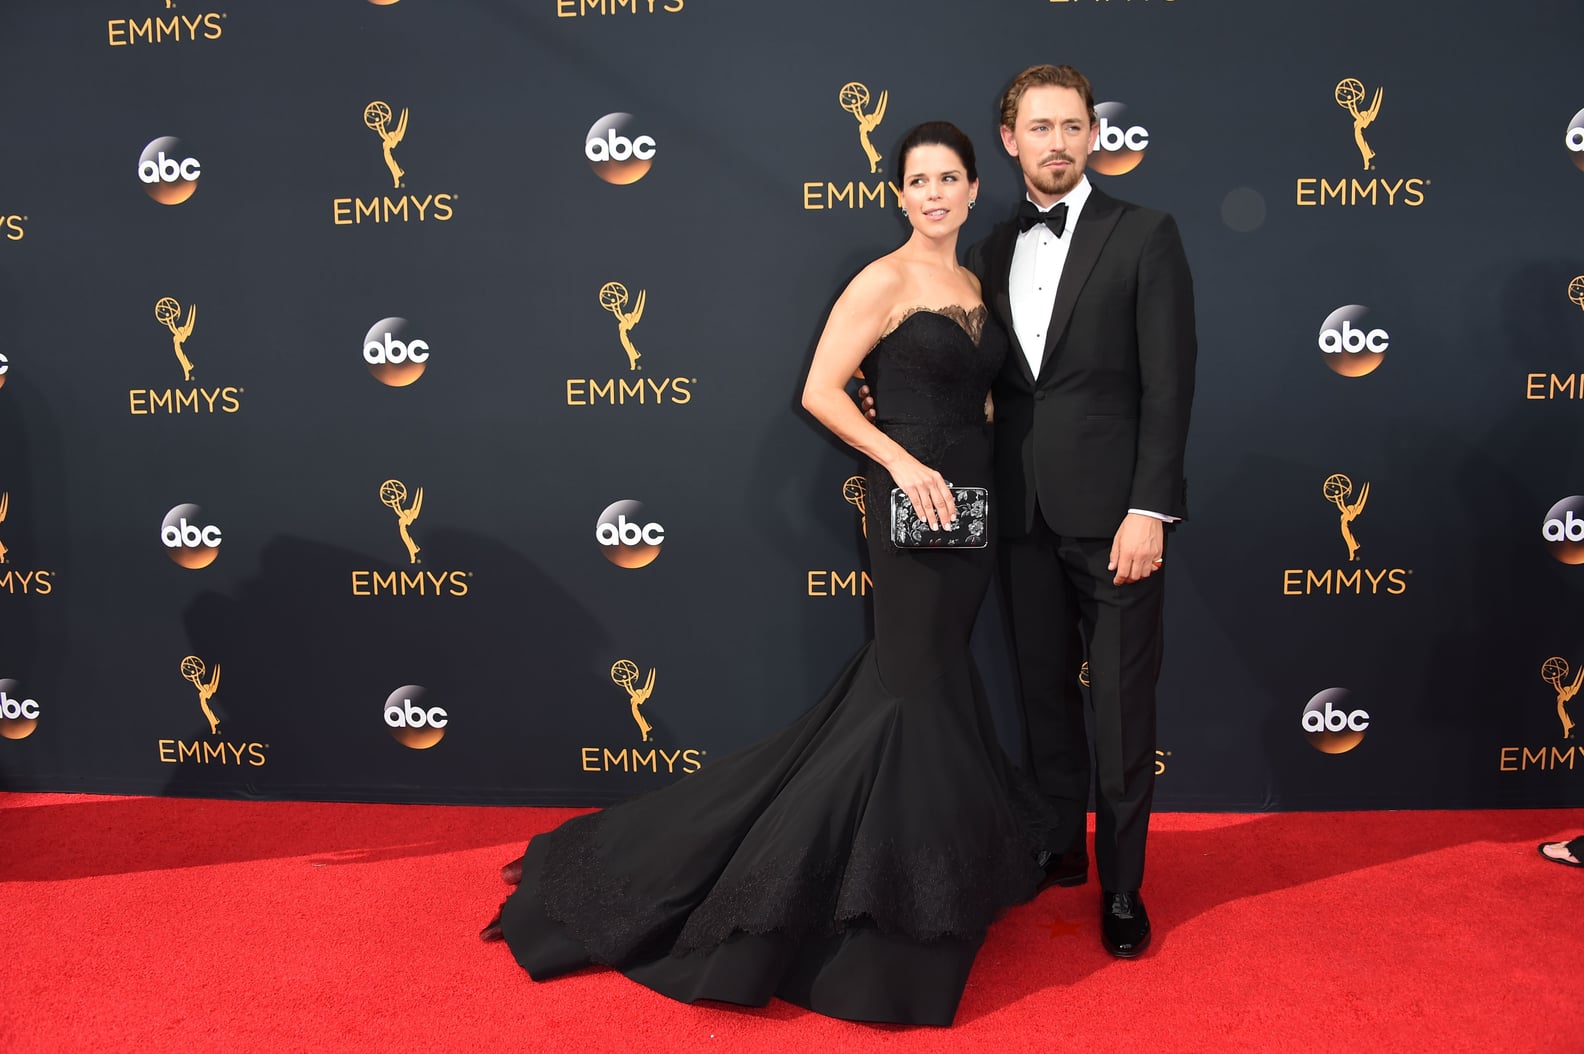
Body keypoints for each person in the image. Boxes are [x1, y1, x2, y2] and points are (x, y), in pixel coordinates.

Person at [482, 122, 1056, 1028]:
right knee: (908, 694)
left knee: (927, 691)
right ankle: (864, 920)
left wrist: (965, 445)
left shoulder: (973, 283)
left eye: (950, 178)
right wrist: (900, 460)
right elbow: (822, 391)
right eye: (918, 180)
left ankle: (925, 882)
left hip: (972, 515)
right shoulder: (884, 279)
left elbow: (975, 396)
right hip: (909, 512)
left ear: (976, 188)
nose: (935, 193)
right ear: (898, 194)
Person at [967, 64, 1196, 958]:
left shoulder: (1145, 236)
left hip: (1117, 521)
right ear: (1010, 140)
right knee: (1043, 695)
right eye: (1041, 127)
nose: (1059, 141)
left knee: (1123, 709)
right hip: (1022, 513)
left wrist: (1152, 509)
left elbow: (1170, 388)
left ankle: (1126, 884)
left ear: (1094, 136)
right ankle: (1061, 844)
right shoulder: (989, 248)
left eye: (1074, 125)